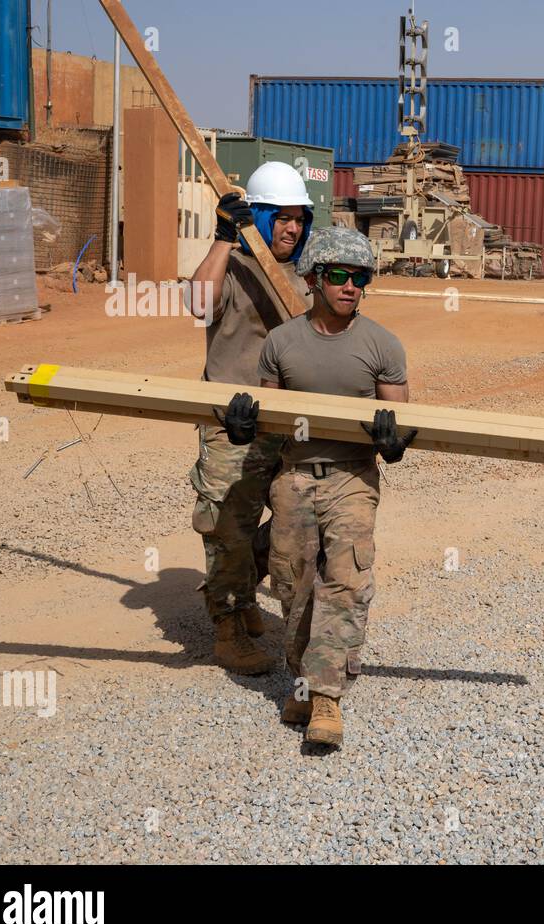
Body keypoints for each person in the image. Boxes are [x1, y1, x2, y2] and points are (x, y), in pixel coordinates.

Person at [218, 228, 414, 748]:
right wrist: (246, 427)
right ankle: (303, 681)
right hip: (294, 478)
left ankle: (327, 698)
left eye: (361, 279)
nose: (352, 287)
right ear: (314, 280)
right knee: (293, 585)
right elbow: (272, 418)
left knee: (345, 580)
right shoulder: (282, 343)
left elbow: (404, 417)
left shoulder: (381, 344)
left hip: (352, 477)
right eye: (341, 276)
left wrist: (395, 442)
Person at [185, 162, 314, 675]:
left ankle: (240, 595)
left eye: (299, 218)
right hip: (231, 424)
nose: (291, 227)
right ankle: (229, 626)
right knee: (226, 526)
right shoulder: (232, 265)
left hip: (287, 425)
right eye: (279, 216)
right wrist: (221, 238)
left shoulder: (300, 277)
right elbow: (197, 304)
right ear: (256, 217)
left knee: (295, 520)